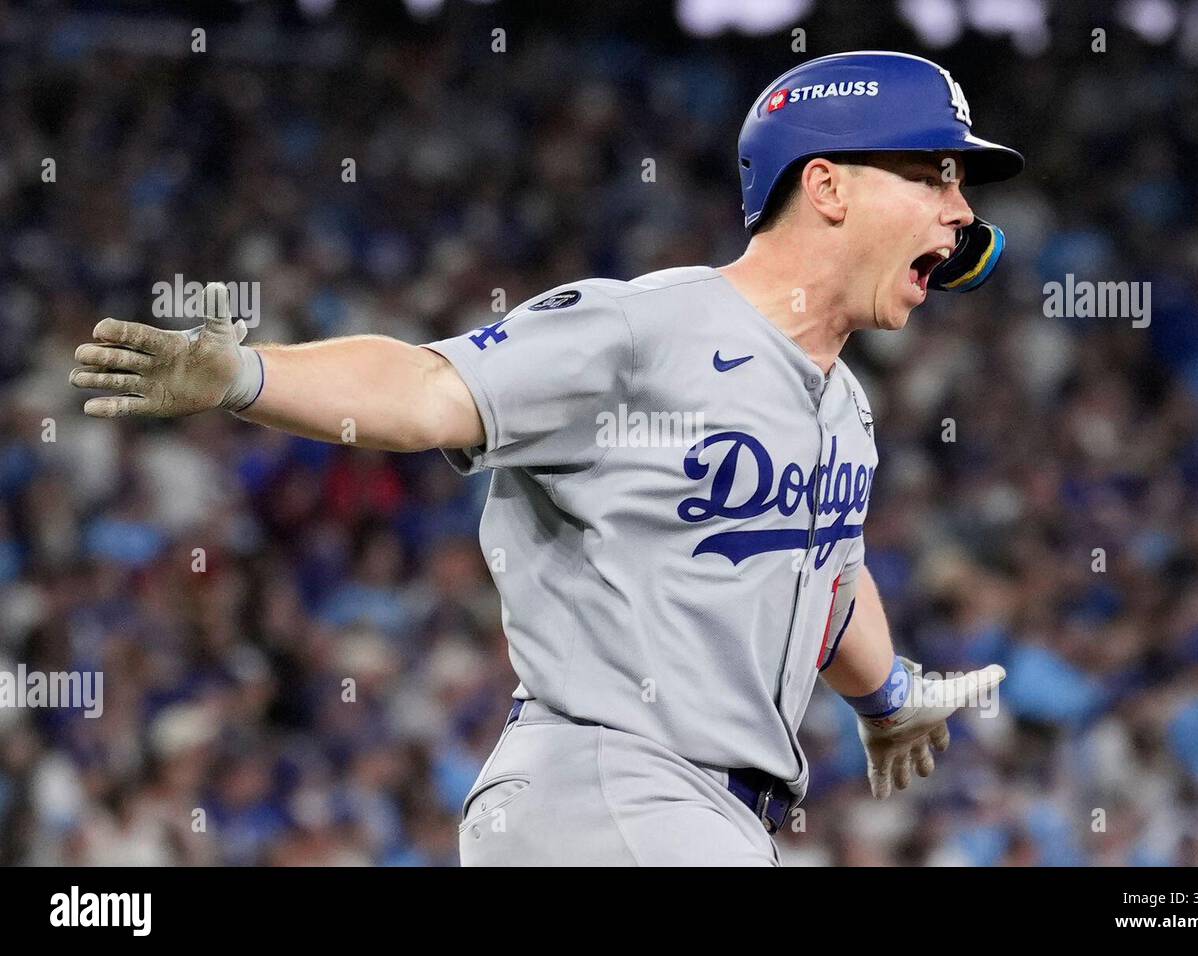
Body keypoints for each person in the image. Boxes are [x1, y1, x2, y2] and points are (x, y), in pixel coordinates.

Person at [70, 51, 1019, 866]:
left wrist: (889, 696)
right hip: (610, 789)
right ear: (827, 186)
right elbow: (425, 391)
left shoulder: (846, 403)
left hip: (709, 818)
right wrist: (246, 372)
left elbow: (828, 575)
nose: (962, 212)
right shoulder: (650, 327)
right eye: (935, 174)